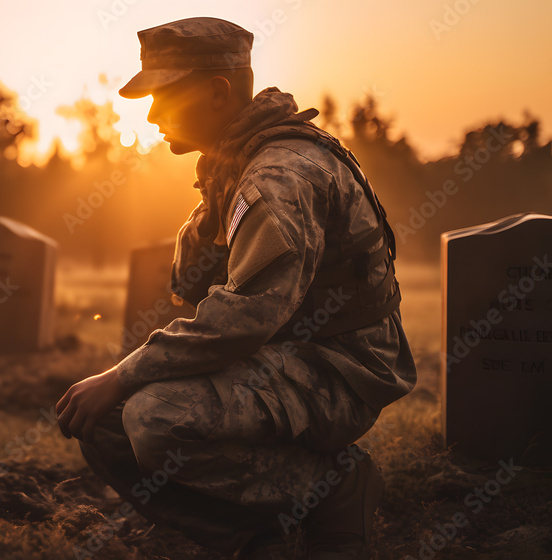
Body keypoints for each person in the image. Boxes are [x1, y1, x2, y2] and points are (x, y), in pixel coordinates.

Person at [55, 16, 417, 560]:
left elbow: (245, 316)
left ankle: (334, 487)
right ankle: (252, 538)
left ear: (218, 92)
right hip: (285, 351)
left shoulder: (279, 176)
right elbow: (194, 284)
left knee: (152, 418)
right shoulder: (233, 163)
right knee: (100, 420)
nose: (151, 115)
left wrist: (123, 373)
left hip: (340, 366)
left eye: (164, 97)